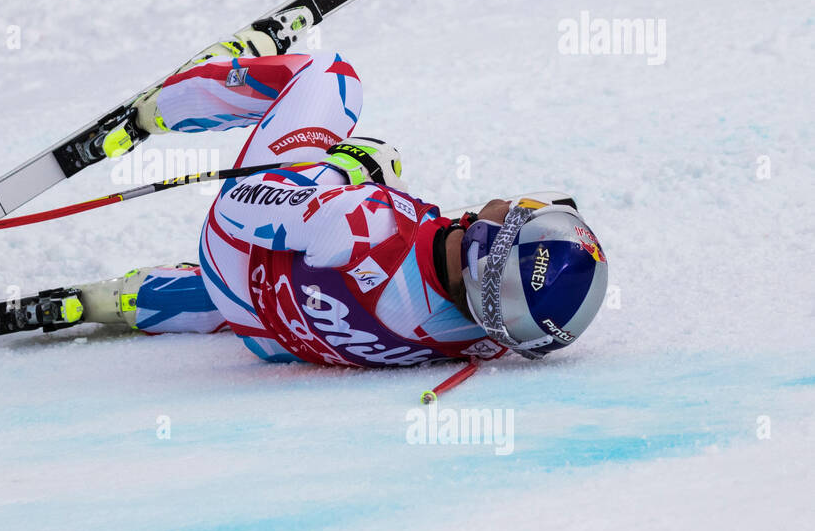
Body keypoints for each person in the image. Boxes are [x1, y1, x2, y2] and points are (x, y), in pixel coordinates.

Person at [72, 49, 610, 367]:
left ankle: (157, 109)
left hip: (232, 249)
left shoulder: (368, 225)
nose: (523, 199)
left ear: (492, 241)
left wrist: (348, 169)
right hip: (269, 336)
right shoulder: (480, 341)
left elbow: (238, 207)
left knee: (331, 74)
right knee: (303, 284)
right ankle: (136, 301)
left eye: (527, 213)